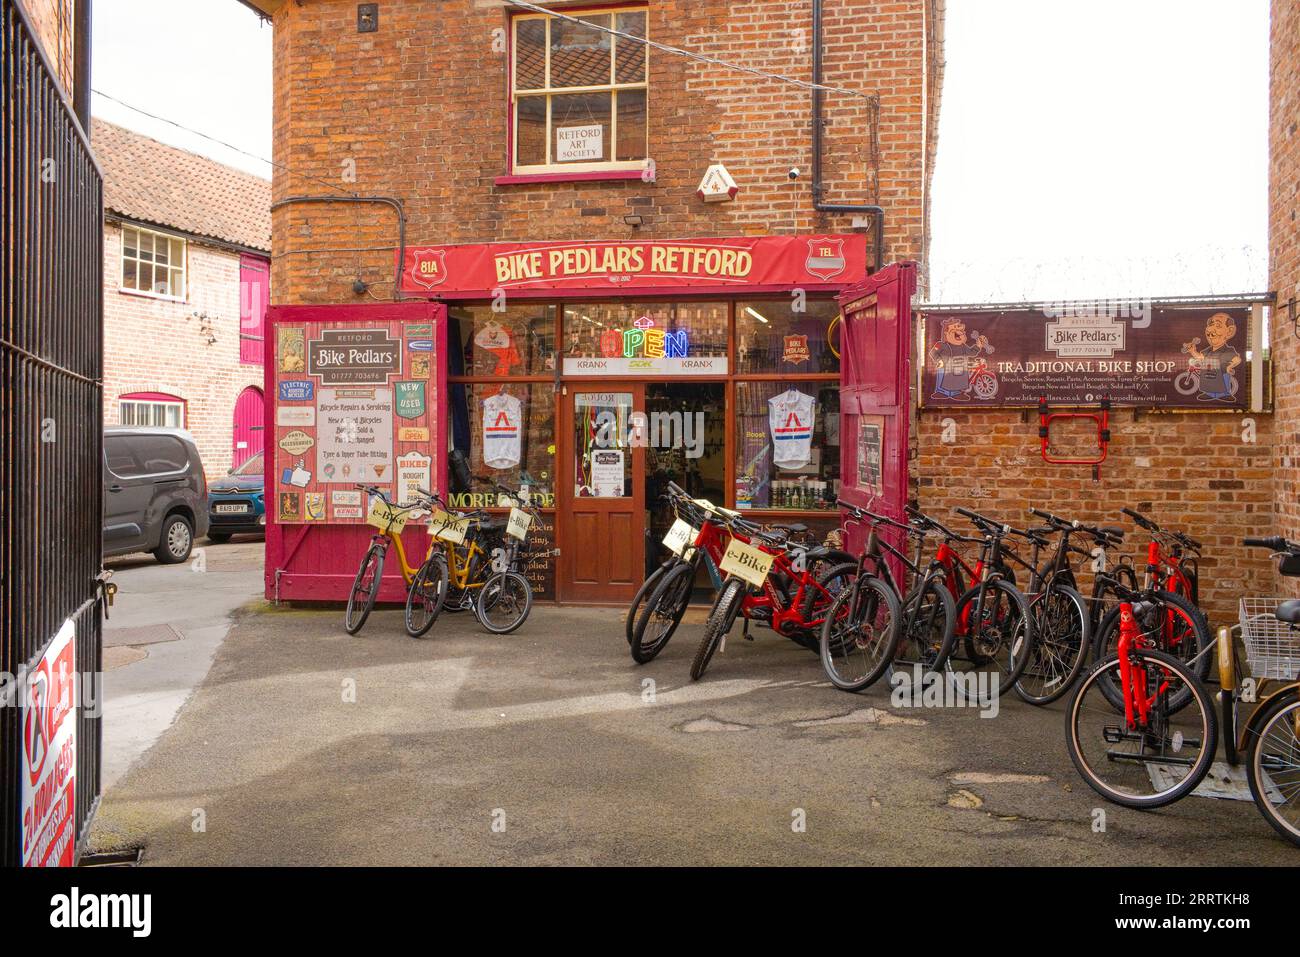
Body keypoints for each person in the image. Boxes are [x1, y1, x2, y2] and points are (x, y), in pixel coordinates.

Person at [1183, 312, 1241, 402]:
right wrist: (1193, 351)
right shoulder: (1208, 350)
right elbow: (1200, 357)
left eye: (1218, 325)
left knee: (1223, 381)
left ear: (1229, 331)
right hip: (1209, 372)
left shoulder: (1228, 350)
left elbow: (1237, 359)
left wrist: (1230, 366)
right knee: (1208, 381)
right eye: (1211, 325)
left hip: (1222, 371)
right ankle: (1209, 394)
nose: (1210, 330)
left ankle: (1224, 394)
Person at [929, 317, 990, 401]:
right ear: (946, 333)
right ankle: (942, 392)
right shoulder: (940, 345)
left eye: (960, 331)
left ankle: (956, 393)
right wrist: (939, 360)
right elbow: (932, 352)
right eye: (954, 328)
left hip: (959, 367)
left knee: (958, 378)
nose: (959, 332)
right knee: (942, 375)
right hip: (945, 366)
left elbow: (972, 352)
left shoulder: (963, 346)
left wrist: (978, 345)